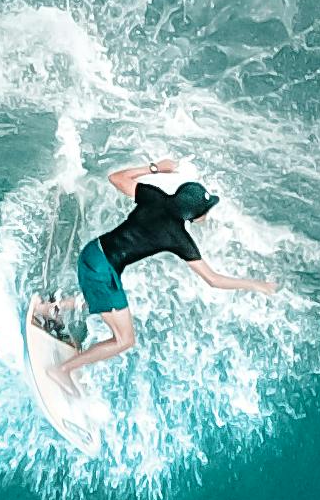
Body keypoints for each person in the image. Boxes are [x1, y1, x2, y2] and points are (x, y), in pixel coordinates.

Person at [34, 156, 281, 387]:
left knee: (108, 301)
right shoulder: (178, 237)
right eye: (206, 209)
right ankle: (62, 370)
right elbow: (213, 280)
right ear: (193, 214)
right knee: (124, 340)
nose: (207, 213)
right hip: (101, 270)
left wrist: (155, 169)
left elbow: (116, 178)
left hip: (93, 252)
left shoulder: (154, 196)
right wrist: (257, 285)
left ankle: (51, 309)